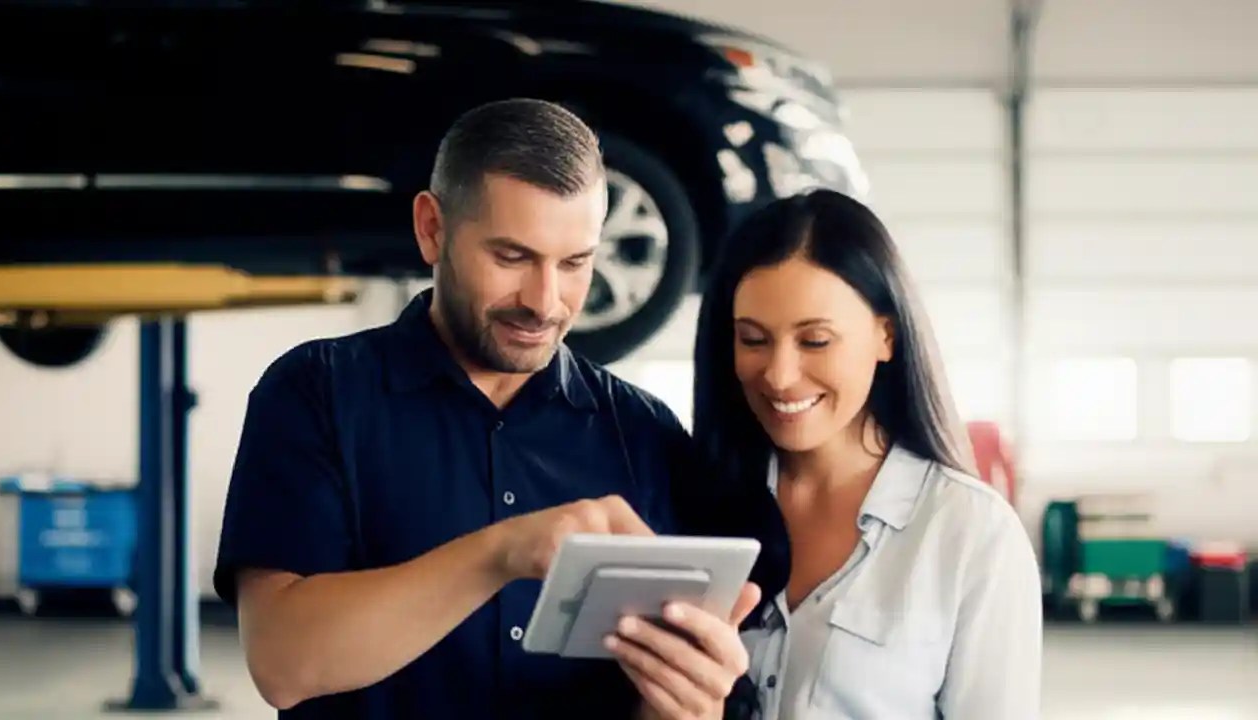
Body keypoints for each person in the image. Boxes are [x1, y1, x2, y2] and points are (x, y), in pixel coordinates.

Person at [214, 98, 757, 720]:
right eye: (512, 257)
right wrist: (500, 553)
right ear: (432, 229)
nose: (545, 302)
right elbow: (284, 665)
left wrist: (683, 704)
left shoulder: (646, 435)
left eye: (575, 263)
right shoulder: (315, 394)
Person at [691, 189, 1043, 720]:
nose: (780, 376)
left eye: (815, 341)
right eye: (754, 339)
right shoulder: (690, 504)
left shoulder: (970, 533)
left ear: (886, 335)